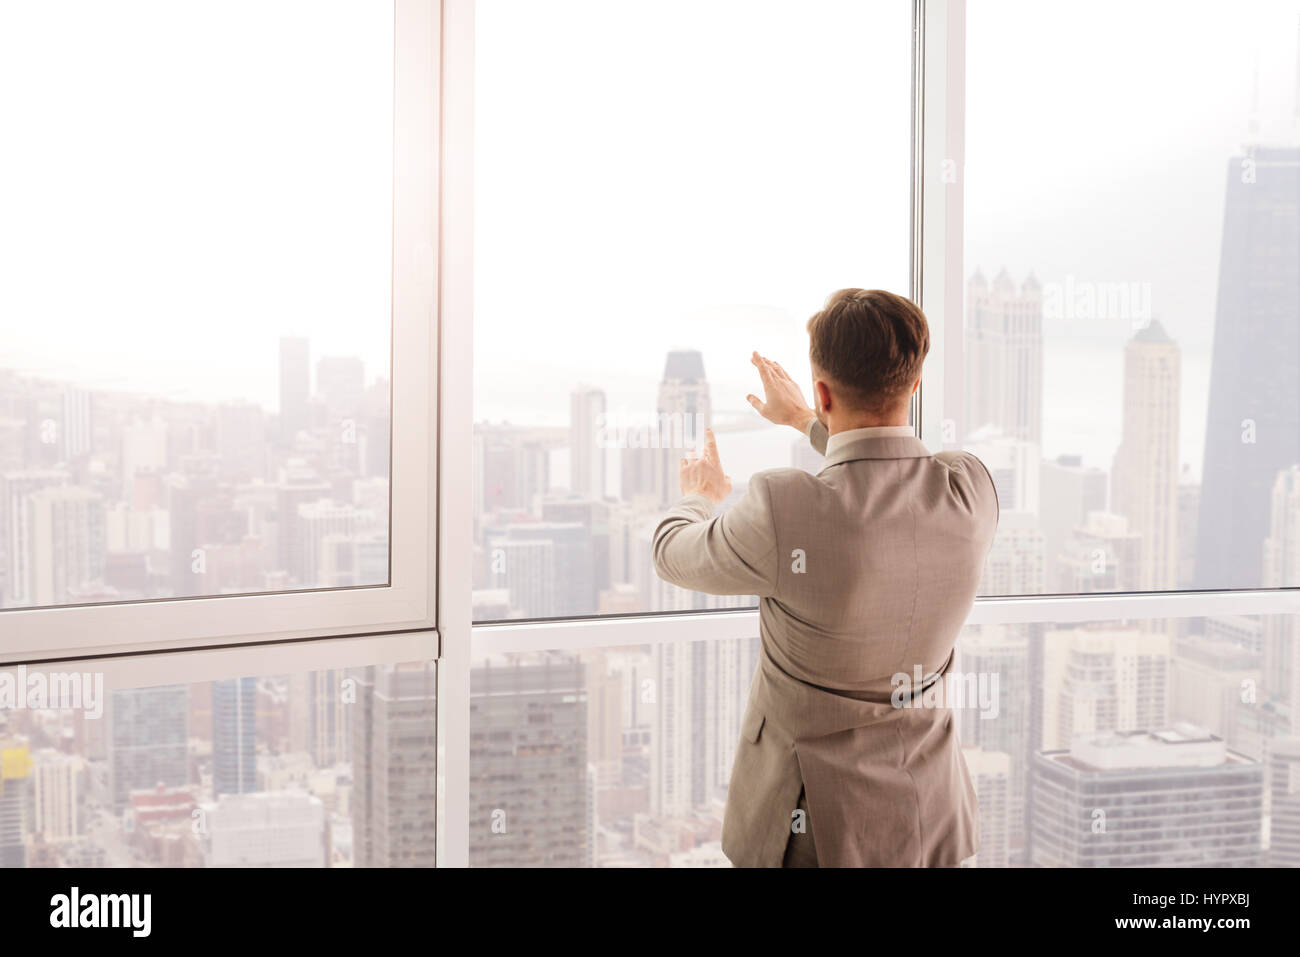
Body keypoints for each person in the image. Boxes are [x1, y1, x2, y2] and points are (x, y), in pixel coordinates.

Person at [651, 288, 999, 867]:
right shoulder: (971, 491)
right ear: (914, 386)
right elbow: (888, 480)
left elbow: (672, 553)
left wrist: (698, 496)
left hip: (814, 828)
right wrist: (809, 421)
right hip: (929, 813)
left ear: (821, 390)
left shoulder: (785, 507)